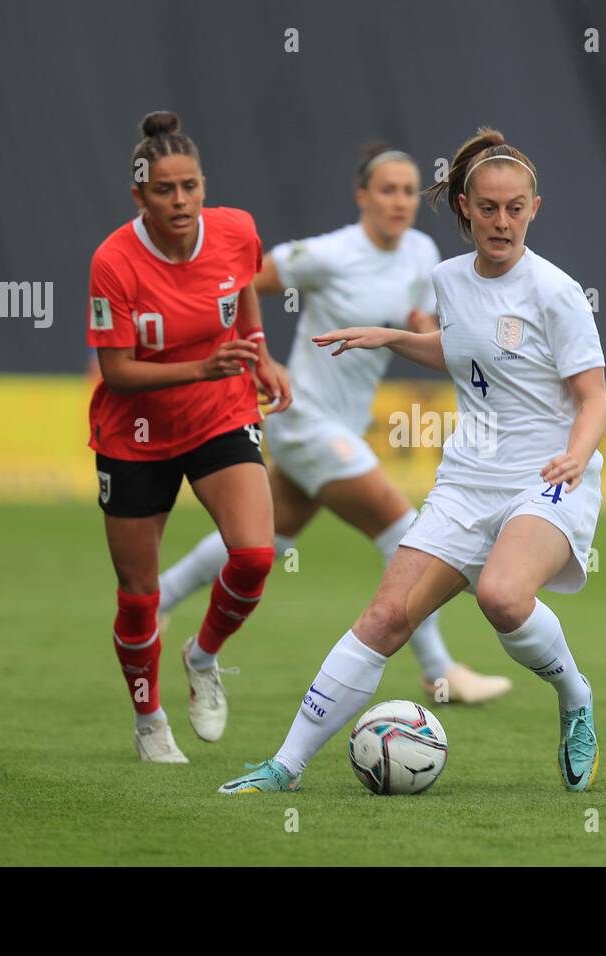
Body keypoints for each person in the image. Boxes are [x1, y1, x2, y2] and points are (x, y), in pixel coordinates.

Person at [218, 127, 606, 794]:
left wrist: (576, 454)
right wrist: (392, 338)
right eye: (488, 207)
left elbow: (593, 396)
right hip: (466, 481)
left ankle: (575, 697)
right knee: (384, 619)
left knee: (501, 595)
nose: (502, 221)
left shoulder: (556, 292)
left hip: (546, 478)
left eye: (516, 208)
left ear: (534, 209)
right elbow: (464, 352)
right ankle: (284, 767)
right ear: (464, 206)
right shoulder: (447, 279)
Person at [157, 144, 512, 705]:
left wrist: (463, 338)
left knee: (263, 539)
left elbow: (420, 319)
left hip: (343, 426)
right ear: (362, 196)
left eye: (407, 191)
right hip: (305, 421)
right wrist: (253, 353)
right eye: (387, 190)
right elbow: (239, 279)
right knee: (407, 529)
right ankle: (439, 672)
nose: (399, 202)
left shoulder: (420, 252)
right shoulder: (328, 255)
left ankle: (157, 600)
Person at [87, 110, 291, 763]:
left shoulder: (235, 231)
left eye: (191, 186)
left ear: (205, 185)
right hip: (133, 433)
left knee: (256, 555)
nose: (180, 201)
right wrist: (199, 365)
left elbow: (246, 291)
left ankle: (203, 656)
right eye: (165, 190)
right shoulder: (114, 263)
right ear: (139, 196)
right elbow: (117, 372)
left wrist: (258, 353)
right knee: (140, 594)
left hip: (218, 412)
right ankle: (149, 720)